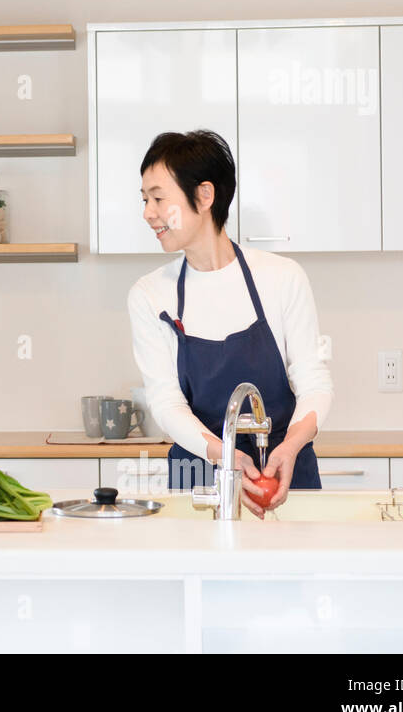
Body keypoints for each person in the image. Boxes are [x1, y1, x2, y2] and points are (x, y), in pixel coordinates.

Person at [126, 130, 331, 517]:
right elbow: (166, 402)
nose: (148, 213)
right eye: (144, 200)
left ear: (204, 195)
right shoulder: (150, 294)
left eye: (157, 198)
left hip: (286, 476)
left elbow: (314, 381)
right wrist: (225, 456)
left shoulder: (282, 277)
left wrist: (289, 448)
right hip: (198, 480)